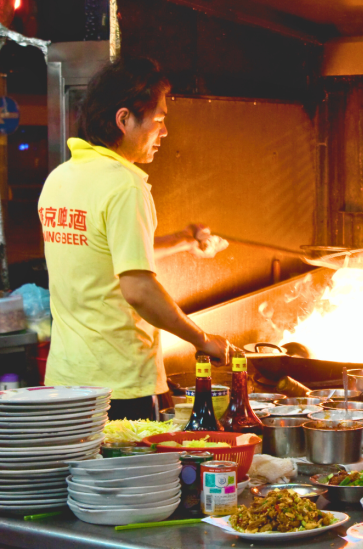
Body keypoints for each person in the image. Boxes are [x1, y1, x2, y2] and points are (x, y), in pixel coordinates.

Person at [38, 57, 231, 421]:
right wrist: (202, 339)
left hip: (64, 382)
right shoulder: (125, 185)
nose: (165, 132)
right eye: (159, 120)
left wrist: (184, 240)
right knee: (136, 480)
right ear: (124, 119)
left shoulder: (61, 178)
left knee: (85, 478)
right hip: (122, 387)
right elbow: (139, 289)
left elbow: (105, 251)